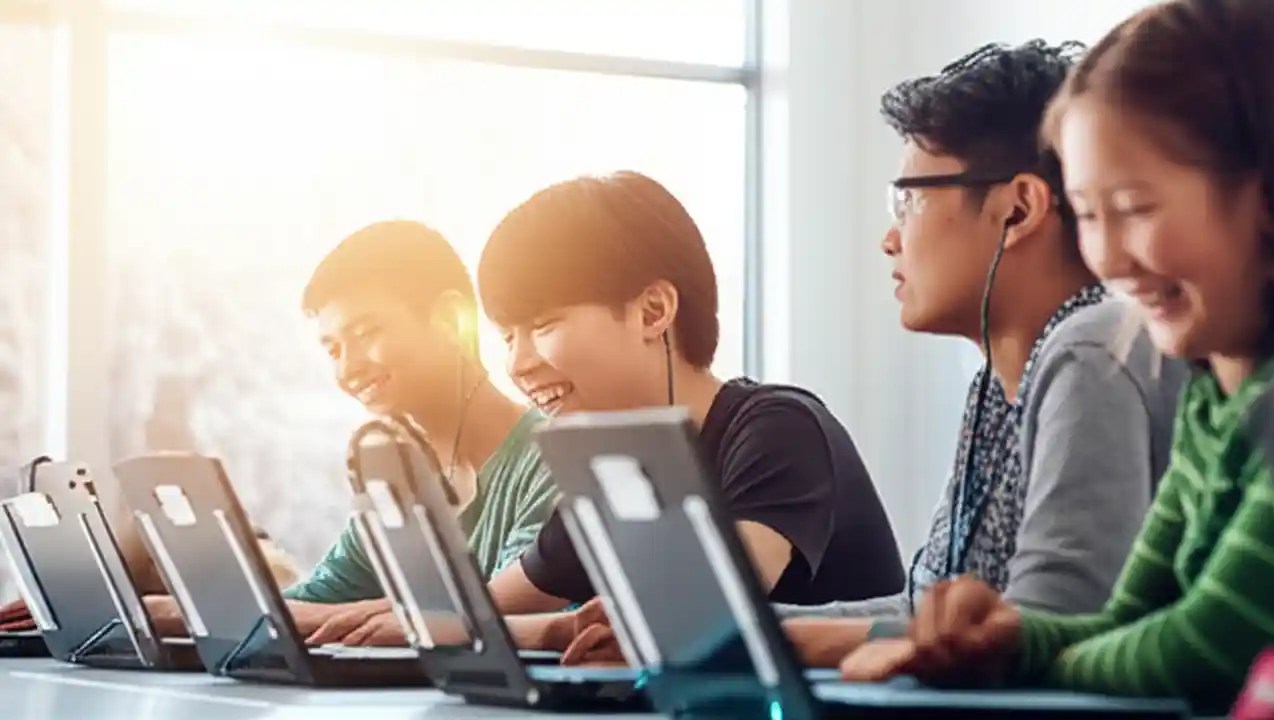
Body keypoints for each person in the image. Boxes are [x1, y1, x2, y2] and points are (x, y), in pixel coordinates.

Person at [841, 1, 1274, 714]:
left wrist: (1013, 654)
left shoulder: (1120, 355)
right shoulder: (1210, 400)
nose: (1106, 256)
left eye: (1135, 208)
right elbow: (1122, 621)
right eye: (1088, 212)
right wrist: (1000, 642)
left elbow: (1201, 647)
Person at [329, 171, 905, 648]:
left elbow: (694, 618)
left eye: (543, 326)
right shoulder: (616, 470)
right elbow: (477, 605)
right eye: (507, 336)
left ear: (653, 311)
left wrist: (530, 630)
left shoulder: (779, 429)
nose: (519, 363)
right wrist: (366, 622)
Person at [777, 41, 1187, 668]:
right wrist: (736, 628)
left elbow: (1049, 619)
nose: (891, 238)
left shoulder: (1091, 353)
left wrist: (765, 645)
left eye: (908, 200)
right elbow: (924, 610)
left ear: (1017, 209)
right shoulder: (997, 388)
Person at [283, 220, 559, 641]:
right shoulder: (397, 489)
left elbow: (491, 611)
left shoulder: (554, 460)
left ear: (450, 318)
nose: (348, 368)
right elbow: (307, 602)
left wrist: (385, 614)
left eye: (366, 333)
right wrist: (160, 610)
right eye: (334, 349)